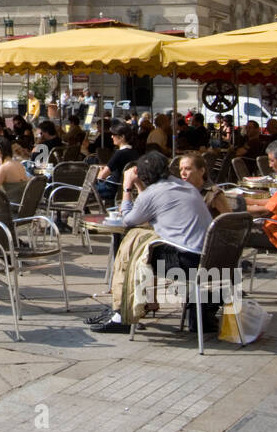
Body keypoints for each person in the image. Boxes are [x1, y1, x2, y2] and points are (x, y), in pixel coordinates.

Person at [88, 150, 215, 333]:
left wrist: (126, 187)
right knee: (141, 241)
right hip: (209, 259)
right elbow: (150, 206)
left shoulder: (154, 192)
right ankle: (139, 305)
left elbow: (129, 220)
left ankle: (124, 313)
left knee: (133, 248)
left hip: (185, 263)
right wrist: (140, 186)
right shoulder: (184, 186)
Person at [177, 153, 233, 218]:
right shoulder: (180, 191)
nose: (183, 173)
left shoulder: (214, 194)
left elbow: (230, 221)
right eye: (181, 169)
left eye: (188, 169)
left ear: (201, 171)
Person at [94, 120, 137, 203]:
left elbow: (101, 176)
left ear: (122, 137)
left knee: (84, 188)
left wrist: (101, 171)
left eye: (113, 135)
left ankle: (79, 211)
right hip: (125, 188)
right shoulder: (134, 152)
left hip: (111, 189)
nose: (111, 137)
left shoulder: (119, 154)